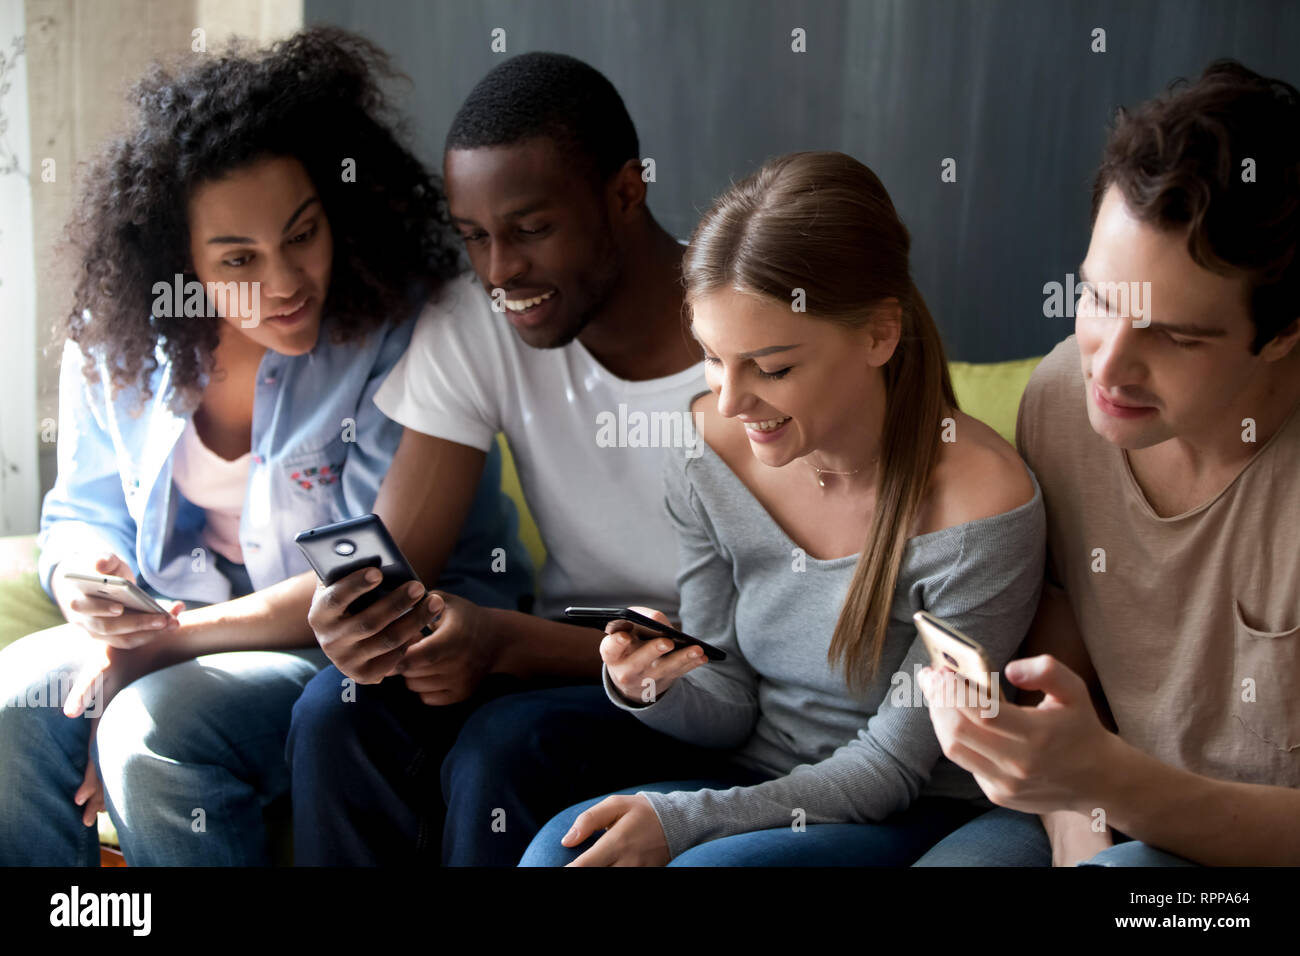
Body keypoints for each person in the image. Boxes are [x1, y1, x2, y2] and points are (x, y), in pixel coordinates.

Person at [0, 27, 530, 867]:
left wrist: (159, 648)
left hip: (343, 647)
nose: (284, 283)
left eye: (303, 234)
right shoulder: (118, 344)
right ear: (178, 260)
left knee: (152, 732)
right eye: (238, 258)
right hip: (175, 624)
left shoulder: (402, 329)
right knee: (13, 705)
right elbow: (80, 512)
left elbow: (367, 574)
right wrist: (89, 584)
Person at [516, 150, 1047, 866]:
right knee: (558, 852)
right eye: (712, 357)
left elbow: (890, 769)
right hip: (758, 776)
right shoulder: (711, 450)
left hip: (911, 805)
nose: (731, 402)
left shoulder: (980, 507)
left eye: (773, 367)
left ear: (878, 334)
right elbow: (728, 701)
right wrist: (650, 685)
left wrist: (687, 820)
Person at [286, 52, 715, 865]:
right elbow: (401, 555)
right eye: (474, 237)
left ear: (627, 193)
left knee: (506, 747)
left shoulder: (750, 339)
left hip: (713, 686)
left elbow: (748, 651)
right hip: (572, 659)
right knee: (337, 709)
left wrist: (504, 642)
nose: (499, 272)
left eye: (530, 230)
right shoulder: (480, 321)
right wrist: (356, 621)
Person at [915, 59, 1300, 867]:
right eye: (1098, 299)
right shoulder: (1063, 400)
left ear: (1286, 331)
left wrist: (1115, 794)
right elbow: (1068, 673)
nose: (1109, 366)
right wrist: (1069, 808)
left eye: (1174, 336)